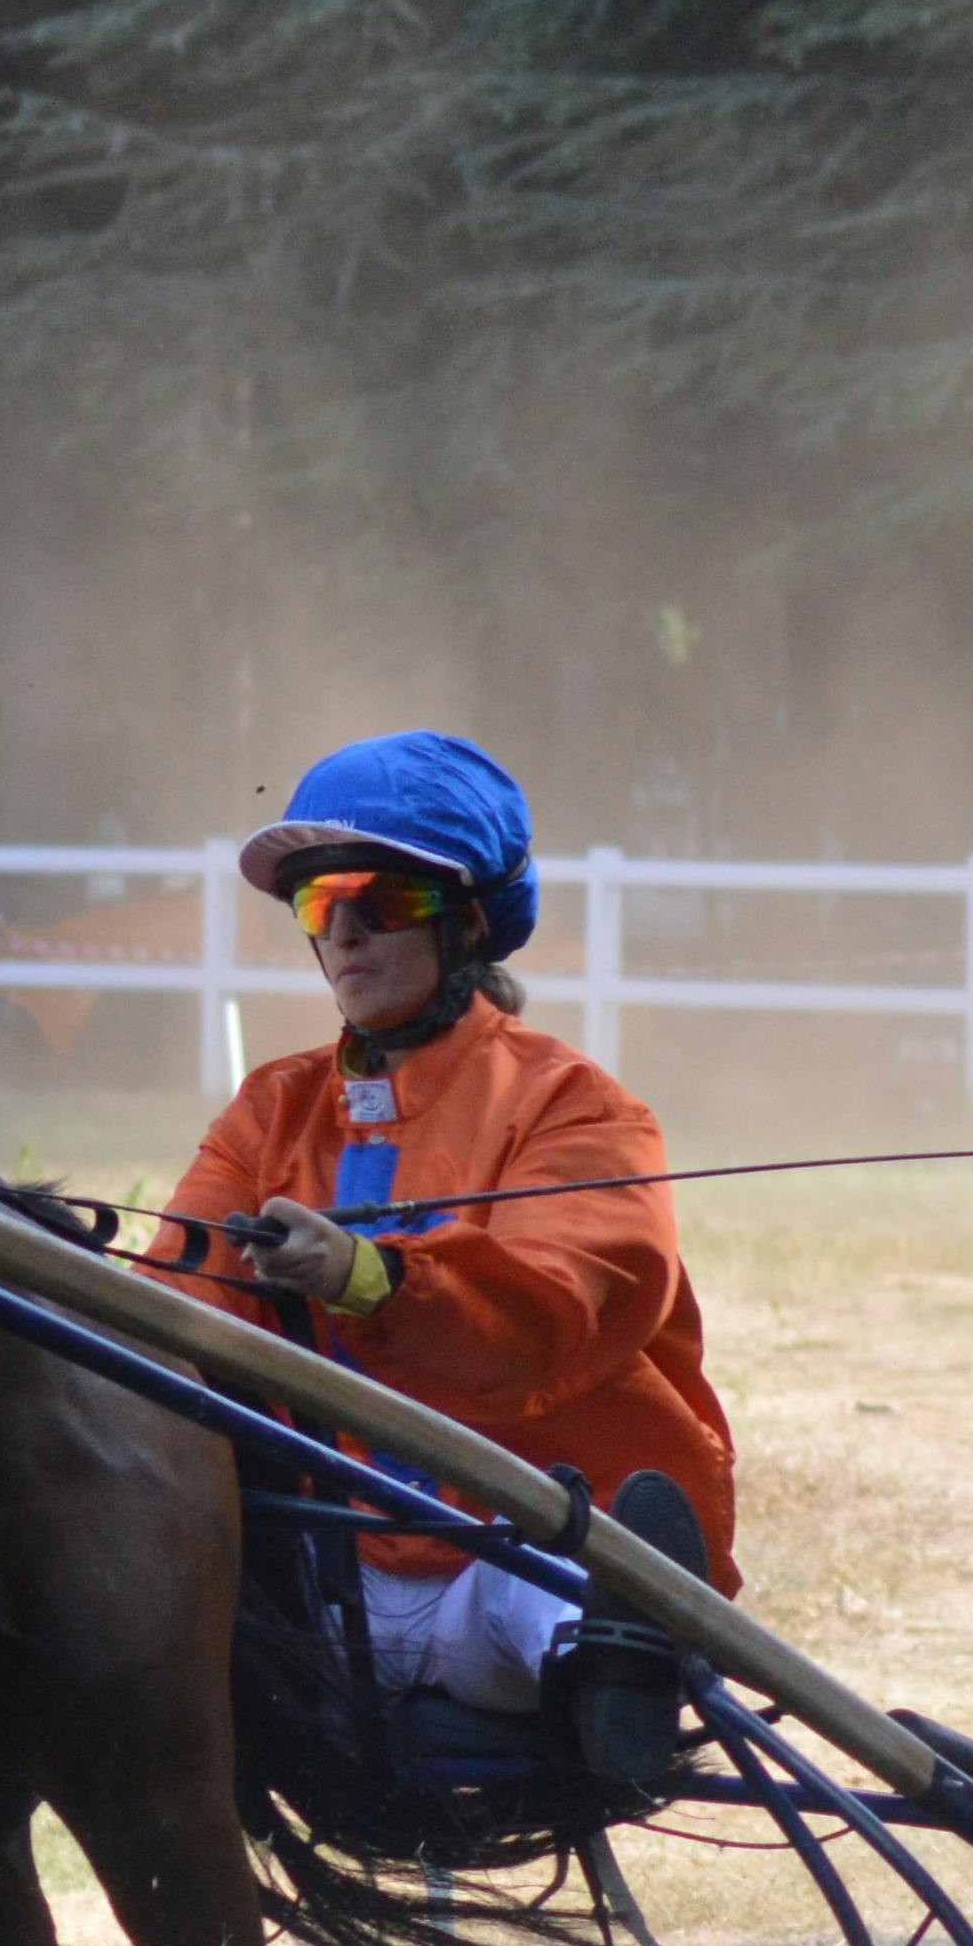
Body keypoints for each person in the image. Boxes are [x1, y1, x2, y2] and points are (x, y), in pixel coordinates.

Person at [155, 729, 738, 1778]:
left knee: (556, 1579)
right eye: (315, 906)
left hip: (515, 1551)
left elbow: (548, 1318)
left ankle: (614, 1665)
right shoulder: (269, 1111)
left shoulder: (576, 1107)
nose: (342, 935)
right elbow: (170, 1309)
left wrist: (368, 1275)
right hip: (324, 1566)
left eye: (375, 900)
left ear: (466, 920)